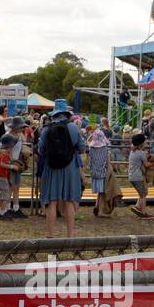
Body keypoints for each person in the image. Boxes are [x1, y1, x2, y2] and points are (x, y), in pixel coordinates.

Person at [37, 99, 85, 238]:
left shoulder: (47, 128)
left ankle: (50, 234)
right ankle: (70, 235)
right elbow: (81, 149)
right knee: (69, 201)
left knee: (51, 202)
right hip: (70, 168)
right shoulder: (73, 128)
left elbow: (41, 150)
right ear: (66, 113)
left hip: (51, 167)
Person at [87, 122, 113, 217]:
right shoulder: (105, 149)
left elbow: (88, 141)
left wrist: (92, 135)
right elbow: (107, 162)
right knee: (102, 193)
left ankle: (97, 206)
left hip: (94, 172)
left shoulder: (91, 148)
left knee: (100, 192)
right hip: (102, 172)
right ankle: (101, 211)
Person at [126, 132, 151, 218]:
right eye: (145, 142)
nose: (146, 144)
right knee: (143, 195)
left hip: (132, 176)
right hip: (138, 176)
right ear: (141, 144)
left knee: (143, 192)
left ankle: (137, 206)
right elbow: (146, 164)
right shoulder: (141, 153)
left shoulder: (132, 151)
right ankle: (143, 212)